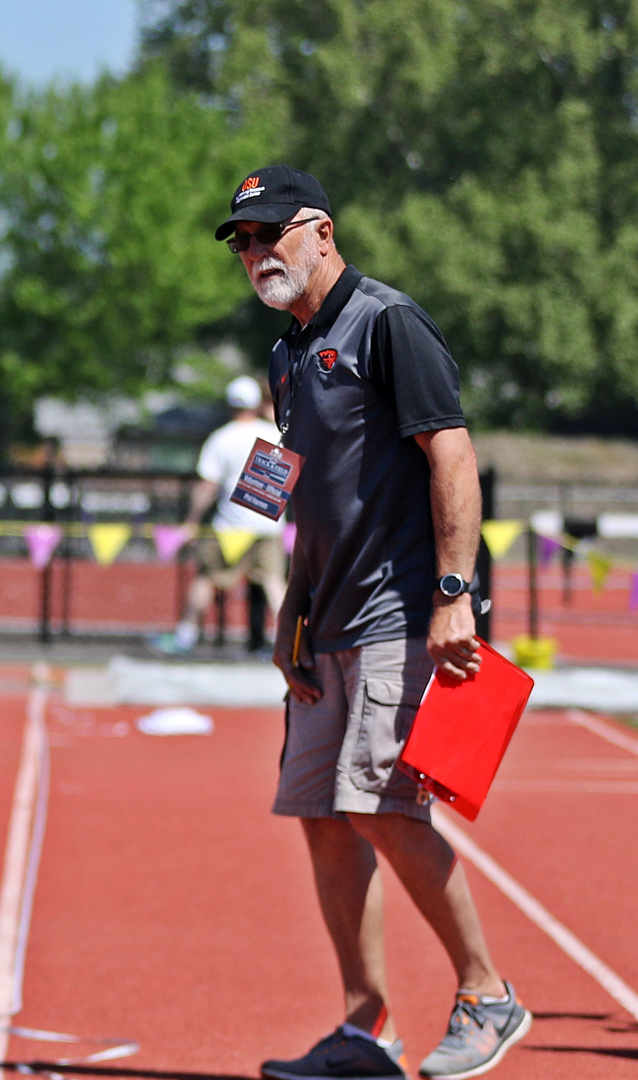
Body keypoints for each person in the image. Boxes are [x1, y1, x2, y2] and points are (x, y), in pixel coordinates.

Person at [218, 166, 530, 1080]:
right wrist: (288, 607)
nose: (253, 252)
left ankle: (487, 994)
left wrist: (452, 592)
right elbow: (293, 485)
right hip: (327, 620)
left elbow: (454, 452)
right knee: (322, 816)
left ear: (320, 229)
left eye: (268, 232)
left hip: (401, 611)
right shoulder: (285, 355)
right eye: (240, 239)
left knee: (384, 809)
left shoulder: (388, 321)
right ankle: (367, 1029)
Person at [150, 374, 287, 657]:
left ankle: (185, 636)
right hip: (268, 525)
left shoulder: (220, 438)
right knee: (273, 582)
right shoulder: (275, 435)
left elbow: (207, 487)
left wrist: (190, 522)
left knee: (205, 578)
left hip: (229, 526)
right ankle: (292, 641)